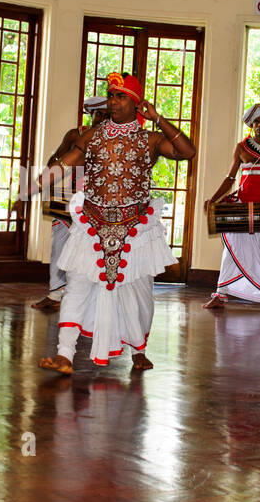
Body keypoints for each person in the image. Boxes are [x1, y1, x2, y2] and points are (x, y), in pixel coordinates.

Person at [37, 73, 195, 374]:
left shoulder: (150, 139)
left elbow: (187, 152)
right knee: (77, 286)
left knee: (136, 295)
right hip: (92, 224)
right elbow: (66, 162)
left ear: (136, 103)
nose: (112, 101)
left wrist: (159, 118)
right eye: (111, 96)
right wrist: (40, 181)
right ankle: (64, 355)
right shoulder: (92, 135)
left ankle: (139, 351)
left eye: (120, 96)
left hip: (134, 228)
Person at [202, 102, 260, 313]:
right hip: (242, 208)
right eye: (256, 121)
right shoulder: (242, 147)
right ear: (251, 125)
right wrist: (214, 198)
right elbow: (230, 178)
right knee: (233, 251)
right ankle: (220, 294)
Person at [32, 94, 109, 312]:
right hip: (66, 194)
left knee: (94, 247)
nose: (102, 118)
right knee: (59, 244)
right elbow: (54, 160)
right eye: (99, 114)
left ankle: (91, 297)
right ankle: (55, 294)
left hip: (96, 200)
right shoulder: (77, 134)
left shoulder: (114, 138)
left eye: (106, 114)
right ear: (90, 114)